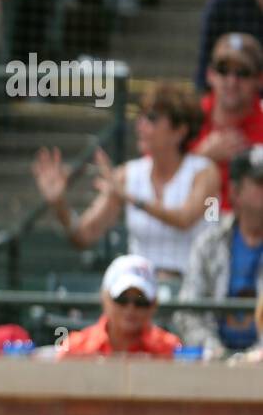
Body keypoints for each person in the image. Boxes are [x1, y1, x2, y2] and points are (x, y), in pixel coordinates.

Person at [33, 83, 218, 281]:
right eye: (140, 117)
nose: (140, 125)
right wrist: (59, 204)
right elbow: (84, 236)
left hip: (194, 290)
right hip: (140, 292)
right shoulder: (127, 175)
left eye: (152, 119)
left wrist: (131, 198)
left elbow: (185, 219)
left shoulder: (204, 171)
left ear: (180, 131)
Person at [174, 146, 263, 358]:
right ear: (235, 191)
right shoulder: (210, 242)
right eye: (260, 183)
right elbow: (188, 310)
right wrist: (215, 350)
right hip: (212, 360)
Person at [189, 31, 263, 211]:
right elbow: (153, 181)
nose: (232, 81)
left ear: (260, 79)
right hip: (187, 227)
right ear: (210, 75)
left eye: (242, 73)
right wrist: (200, 158)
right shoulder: (186, 117)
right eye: (223, 71)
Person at [57, 253, 181, 357]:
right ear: (105, 298)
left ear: (154, 304)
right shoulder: (74, 349)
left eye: (140, 301)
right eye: (122, 299)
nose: (130, 308)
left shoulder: (171, 349)